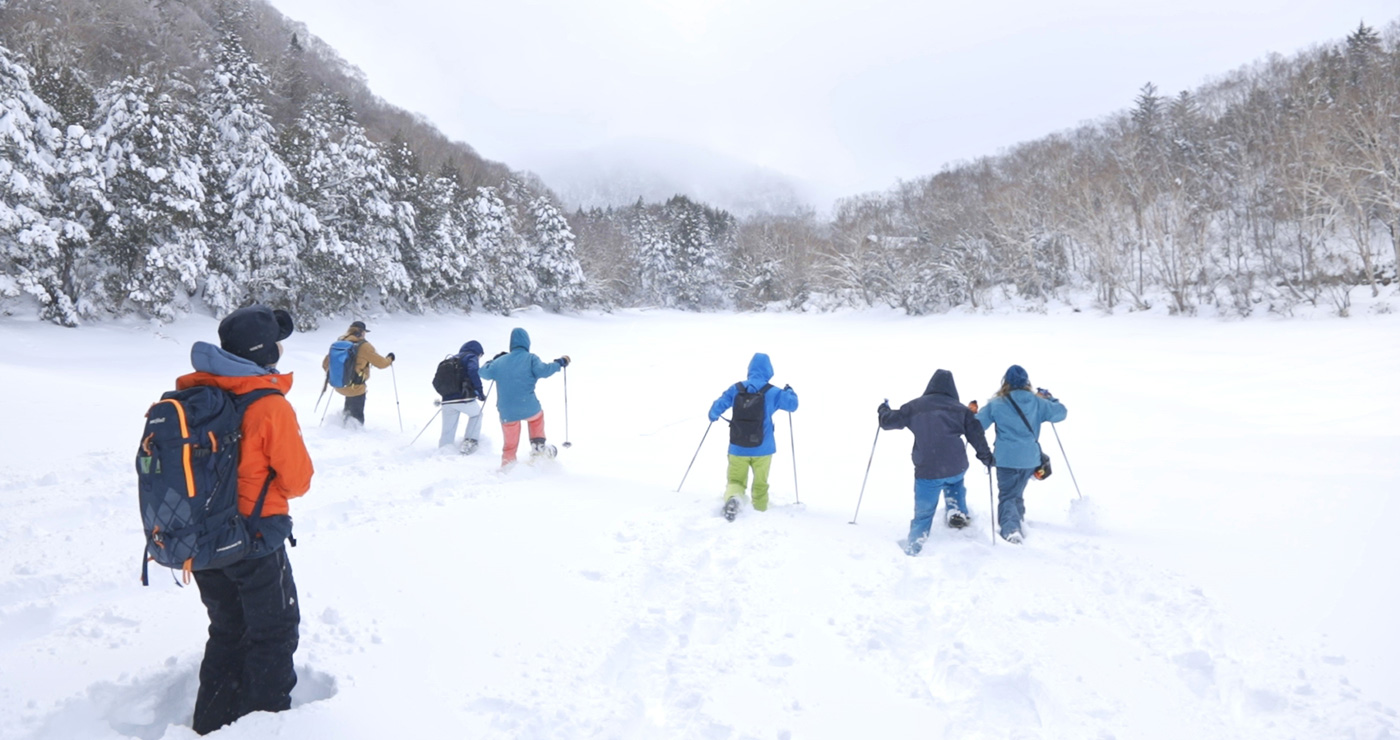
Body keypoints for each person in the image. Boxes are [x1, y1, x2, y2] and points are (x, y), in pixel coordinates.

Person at [177, 305, 314, 735]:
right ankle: (262, 727)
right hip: (254, 539)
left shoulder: (194, 395)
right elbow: (297, 481)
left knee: (227, 630)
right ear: (265, 351)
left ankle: (211, 724)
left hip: (202, 540)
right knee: (272, 633)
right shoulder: (268, 403)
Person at [878, 369, 994, 556]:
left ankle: (914, 547)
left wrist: (883, 410)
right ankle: (957, 512)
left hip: (928, 470)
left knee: (924, 514)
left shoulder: (915, 407)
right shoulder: (961, 410)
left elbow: (887, 422)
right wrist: (986, 457)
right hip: (956, 466)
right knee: (955, 483)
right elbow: (976, 435)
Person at [975, 364, 1067, 544]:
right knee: (1016, 492)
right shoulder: (1037, 402)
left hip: (1005, 458)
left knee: (1008, 495)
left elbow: (977, 426)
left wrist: (969, 414)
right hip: (1029, 459)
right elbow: (1061, 413)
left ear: (1005, 382)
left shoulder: (996, 404)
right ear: (1027, 382)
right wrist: (1050, 398)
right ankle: (1018, 520)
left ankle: (1011, 530)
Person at [707, 353, 799, 521]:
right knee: (761, 484)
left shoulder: (737, 388)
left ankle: (733, 498)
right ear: (769, 371)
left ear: (749, 370)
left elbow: (718, 405)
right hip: (763, 448)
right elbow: (793, 405)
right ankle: (760, 512)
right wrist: (790, 391)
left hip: (737, 445)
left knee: (735, 480)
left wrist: (713, 415)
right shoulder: (773, 391)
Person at [478, 327, 569, 467]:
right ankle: (538, 448)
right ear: (527, 342)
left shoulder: (501, 361)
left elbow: (483, 373)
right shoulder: (531, 358)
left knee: (510, 443)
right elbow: (544, 371)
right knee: (536, 418)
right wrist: (559, 363)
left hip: (507, 410)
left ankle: (508, 464)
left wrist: (493, 360)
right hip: (528, 405)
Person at [322, 320, 394, 427]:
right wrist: (390, 358)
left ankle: (342, 427)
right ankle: (354, 433)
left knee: (348, 409)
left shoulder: (340, 343)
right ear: (362, 332)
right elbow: (381, 364)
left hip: (340, 385)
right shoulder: (364, 346)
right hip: (356, 388)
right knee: (356, 418)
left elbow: (325, 364)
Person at [439, 340, 487, 454]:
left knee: (448, 428)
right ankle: (469, 443)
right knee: (477, 415)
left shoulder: (452, 359)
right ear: (478, 352)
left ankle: (444, 450)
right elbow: (473, 371)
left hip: (447, 400)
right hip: (464, 398)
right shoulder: (471, 357)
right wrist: (480, 392)